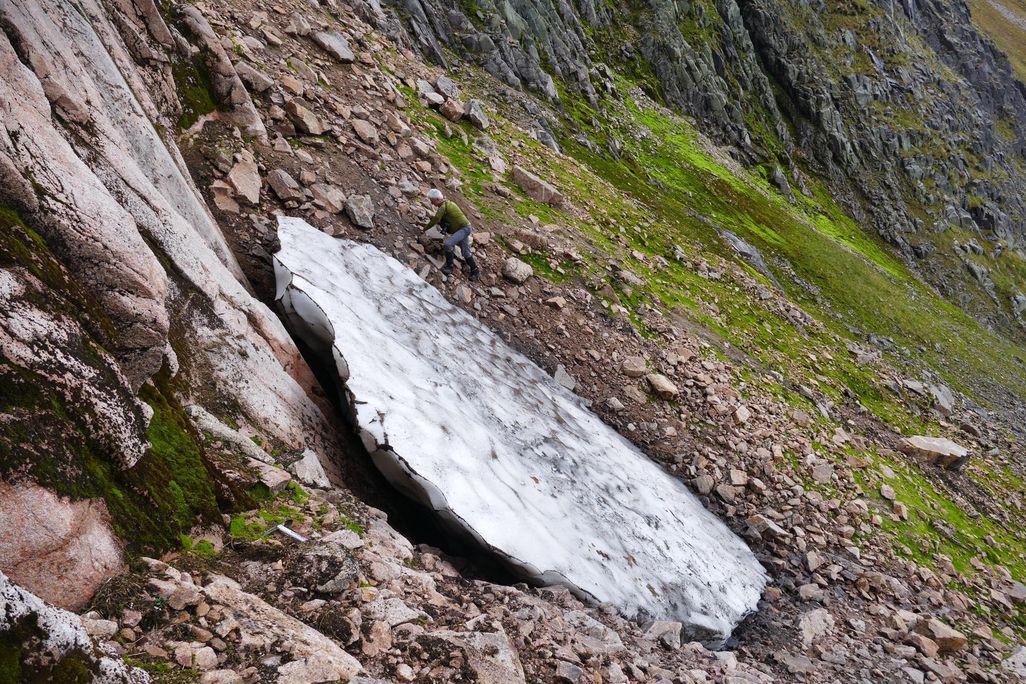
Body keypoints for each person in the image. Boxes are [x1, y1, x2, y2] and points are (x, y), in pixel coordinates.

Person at [423, 188, 480, 281]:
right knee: (465, 252)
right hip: (464, 228)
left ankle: (450, 267)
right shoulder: (447, 204)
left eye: (432, 201)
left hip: (464, 229)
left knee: (448, 244)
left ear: (437, 199)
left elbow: (436, 219)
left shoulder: (443, 207)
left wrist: (424, 229)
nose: (432, 203)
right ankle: (475, 271)